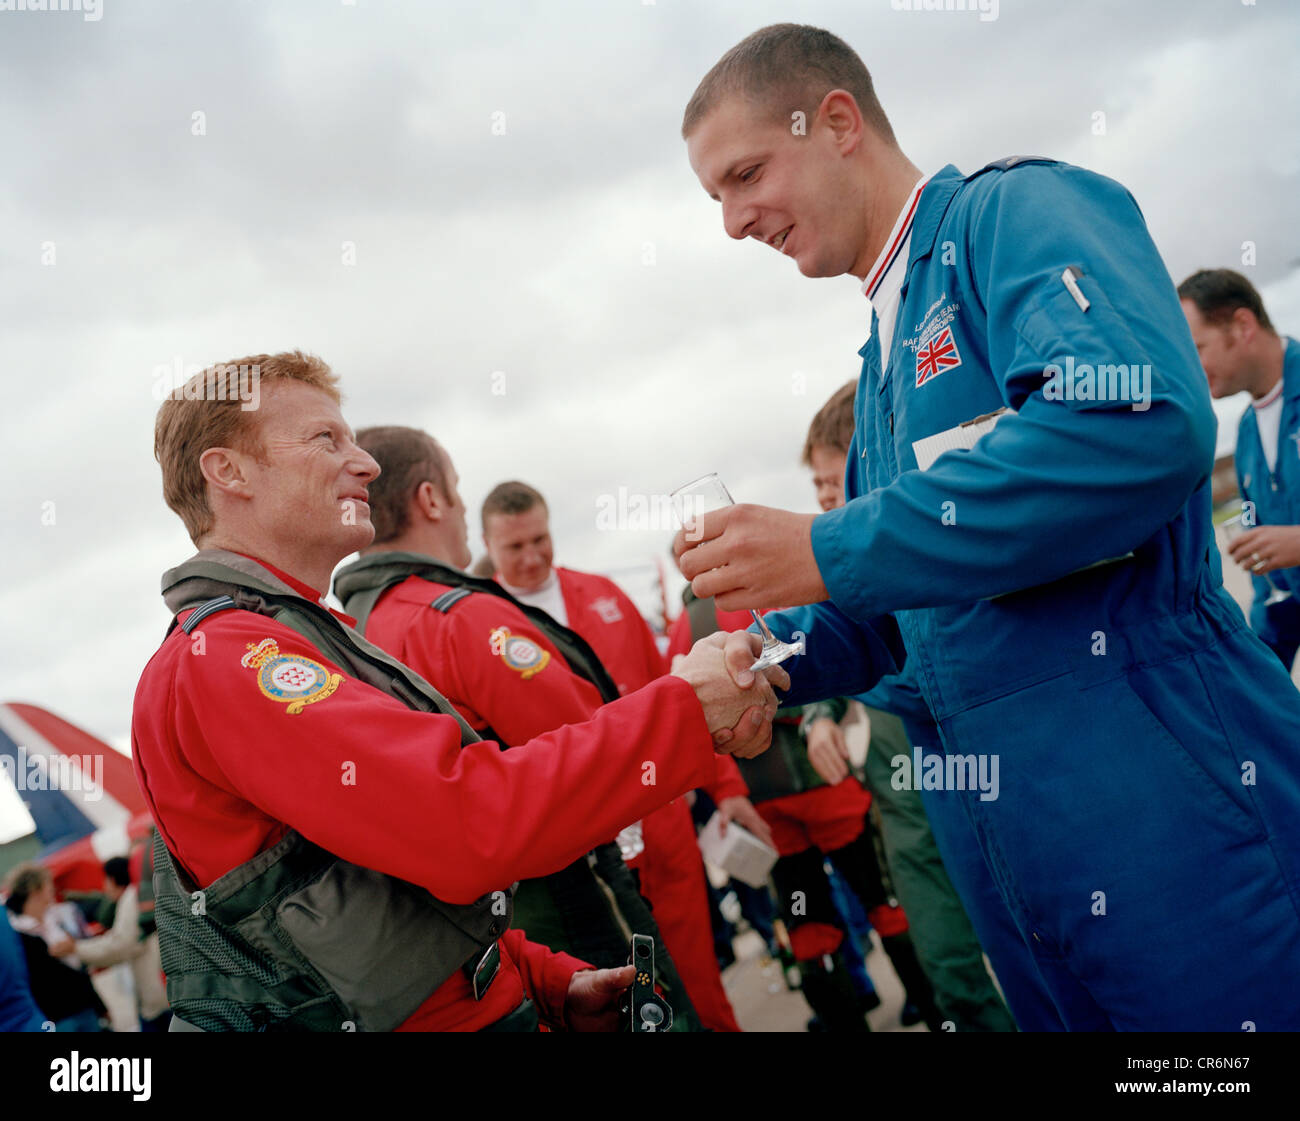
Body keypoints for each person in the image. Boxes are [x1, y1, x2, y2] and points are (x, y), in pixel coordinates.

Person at [675, 24, 1300, 1030]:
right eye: (714, 198)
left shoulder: (1012, 215)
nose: (734, 220)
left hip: (1164, 817)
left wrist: (827, 546)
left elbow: (1137, 423)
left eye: (745, 174)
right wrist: (771, 664)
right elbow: (913, 618)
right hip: (1008, 859)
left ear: (837, 121)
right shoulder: (879, 362)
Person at [135, 350, 783, 1032]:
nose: (367, 464)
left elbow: (388, 877)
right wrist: (684, 708)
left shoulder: (298, 632)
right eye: (328, 438)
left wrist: (542, 978)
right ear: (227, 472)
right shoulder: (230, 658)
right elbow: (466, 820)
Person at [333, 425, 703, 1030]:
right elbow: (594, 744)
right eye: (454, 490)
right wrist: (692, 701)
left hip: (467, 932)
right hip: (564, 895)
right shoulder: (459, 618)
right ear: (431, 500)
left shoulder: (348, 637)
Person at [480, 480, 757, 1033]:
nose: (532, 557)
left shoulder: (602, 595)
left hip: (662, 818)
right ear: (488, 544)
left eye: (541, 539)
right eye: (515, 548)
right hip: (582, 839)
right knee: (625, 992)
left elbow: (679, 693)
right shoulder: (479, 619)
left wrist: (726, 789)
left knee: (698, 975)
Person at [799, 381, 1018, 1032]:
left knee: (1037, 948)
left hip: (988, 778)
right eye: (814, 486)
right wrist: (815, 716)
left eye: (830, 479)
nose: (821, 499)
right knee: (947, 961)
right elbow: (842, 641)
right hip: (907, 804)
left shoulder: (941, 542)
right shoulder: (842, 564)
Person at [1179, 268, 1300, 671]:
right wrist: (1264, 678)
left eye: (1198, 347)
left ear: (1242, 325)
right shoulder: (1246, 435)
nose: (1192, 367)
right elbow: (1274, 592)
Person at [67, 857, 170, 1032]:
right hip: (159, 990)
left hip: (157, 996)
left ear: (113, 880)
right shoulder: (140, 893)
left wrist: (76, 949)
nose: (105, 886)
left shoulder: (130, 899)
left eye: (106, 879)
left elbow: (120, 945)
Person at [3, 863, 106, 1032]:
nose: (52, 890)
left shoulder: (56, 922)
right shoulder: (16, 933)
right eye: (48, 886)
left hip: (84, 1008)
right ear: (35, 891)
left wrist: (101, 1006)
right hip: (54, 1018)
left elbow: (80, 973)